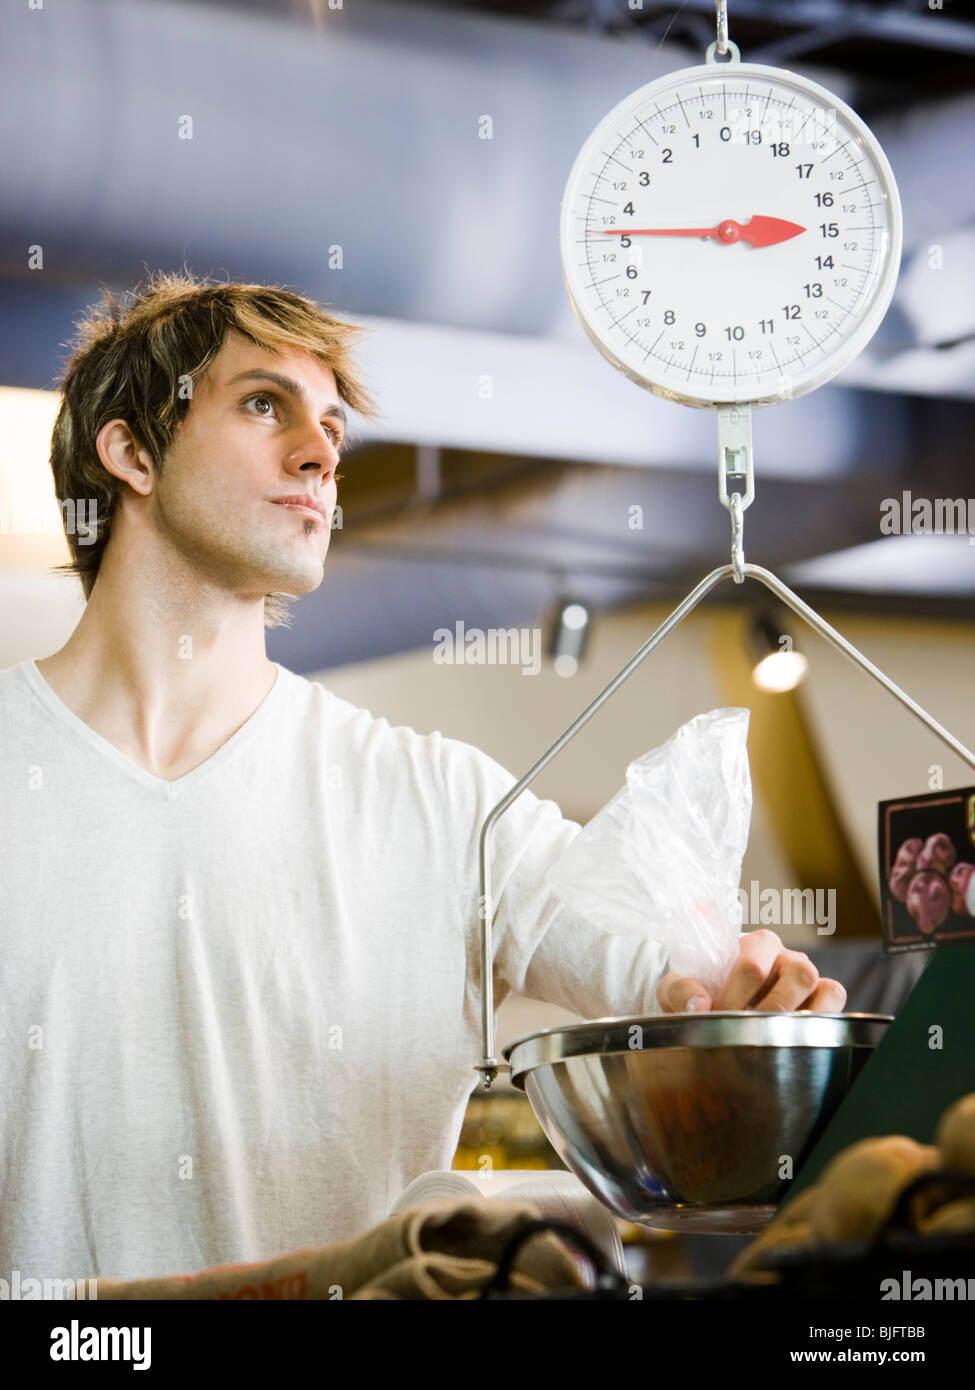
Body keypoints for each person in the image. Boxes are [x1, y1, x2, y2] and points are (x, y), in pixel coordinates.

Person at [0, 272, 846, 1283]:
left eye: (332, 428)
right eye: (263, 404)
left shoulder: (448, 805)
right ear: (132, 450)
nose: (319, 454)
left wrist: (750, 1013)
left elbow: (668, 983)